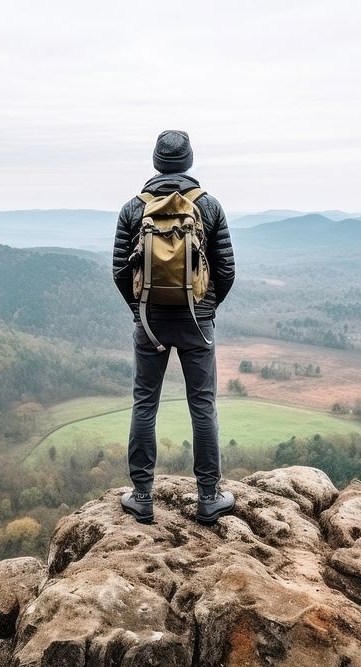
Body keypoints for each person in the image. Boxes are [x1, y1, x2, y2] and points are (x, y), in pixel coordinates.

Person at [112, 130, 236, 525]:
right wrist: (206, 308)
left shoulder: (134, 208)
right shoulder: (210, 207)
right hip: (197, 322)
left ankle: (143, 497)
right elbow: (226, 269)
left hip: (149, 323)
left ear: (156, 162)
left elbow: (120, 269)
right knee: (202, 405)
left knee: (144, 403)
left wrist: (140, 310)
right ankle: (208, 498)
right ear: (189, 162)